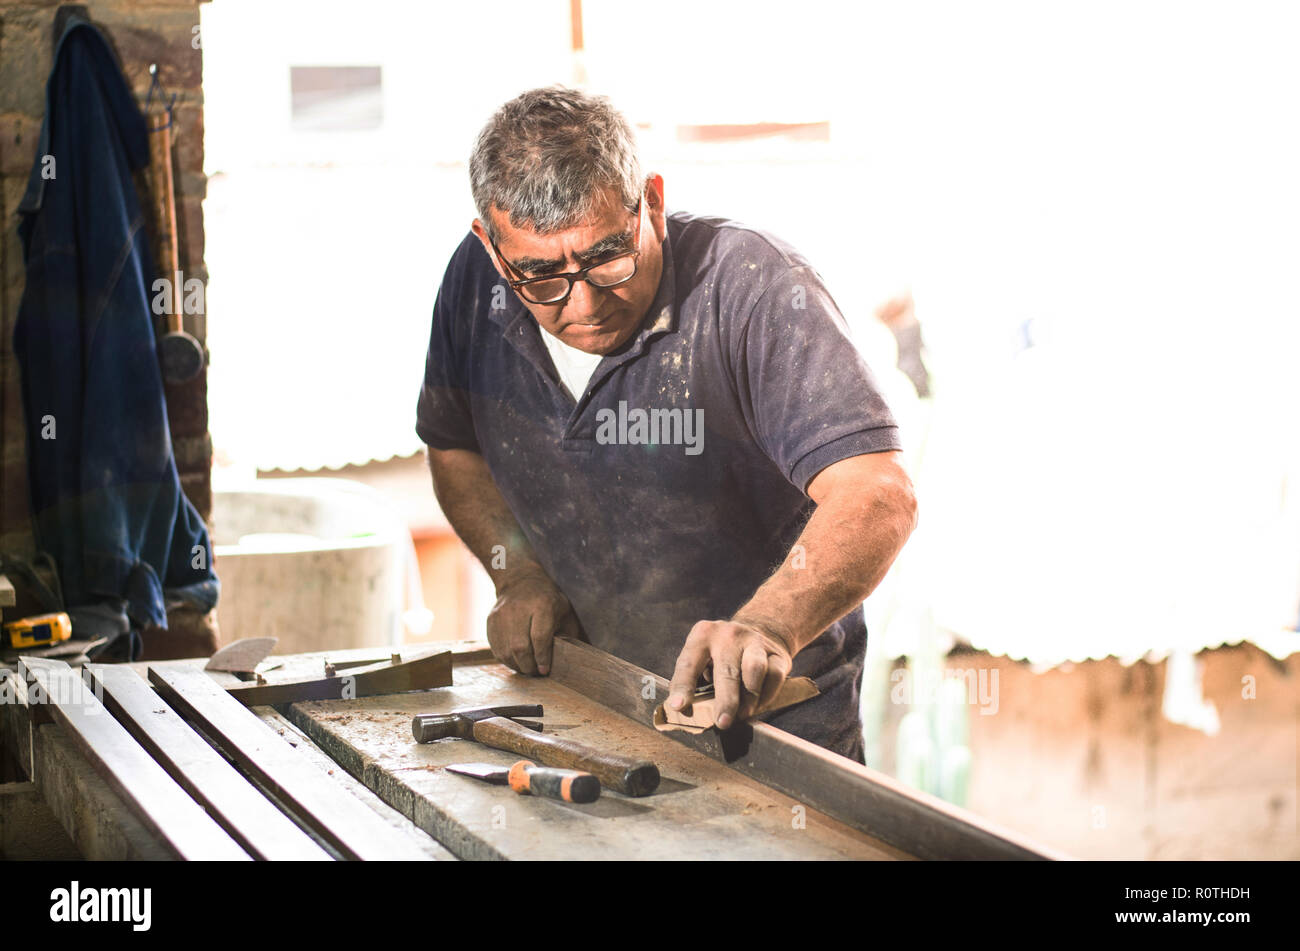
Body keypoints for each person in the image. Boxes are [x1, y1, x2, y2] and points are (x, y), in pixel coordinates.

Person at [416, 87, 917, 761]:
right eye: (540, 277)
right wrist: (518, 572)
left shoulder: (754, 288)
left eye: (607, 256)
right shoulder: (475, 285)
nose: (585, 302)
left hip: (774, 736)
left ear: (651, 200)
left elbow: (878, 492)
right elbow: (454, 448)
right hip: (586, 712)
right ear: (492, 246)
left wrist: (769, 623)